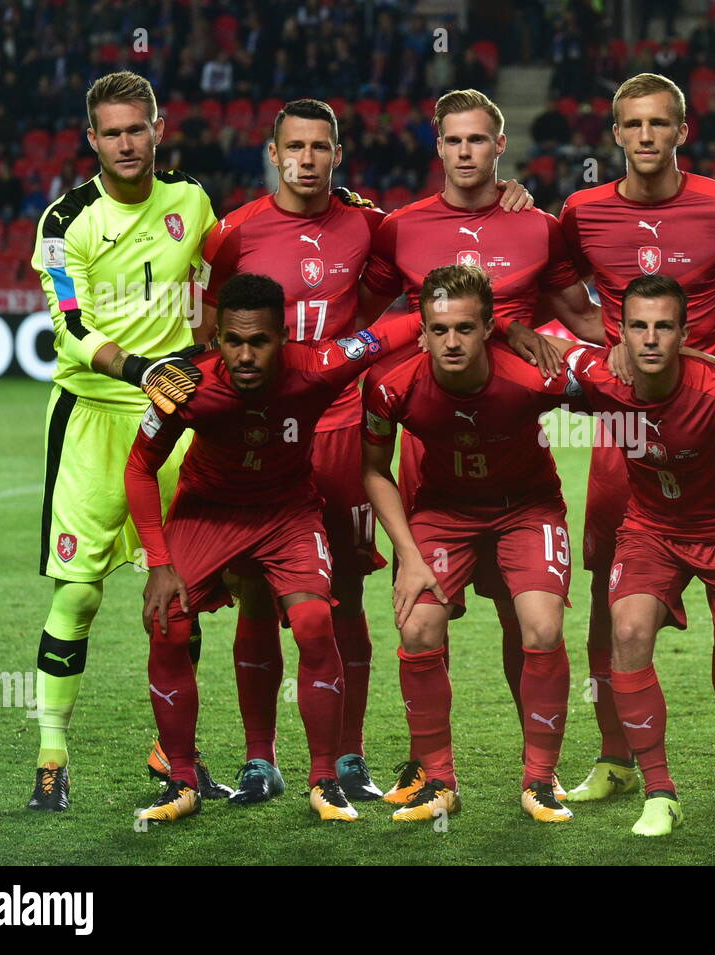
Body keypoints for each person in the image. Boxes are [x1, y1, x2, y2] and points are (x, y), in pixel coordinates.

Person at [197, 96, 535, 805]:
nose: (308, 159)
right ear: (273, 150)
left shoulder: (370, 224)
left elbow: (436, 264)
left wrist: (508, 201)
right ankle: (261, 758)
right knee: (259, 593)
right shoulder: (233, 236)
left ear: (338, 154)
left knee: (342, 594)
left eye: (322, 147)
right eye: (296, 146)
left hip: (344, 429)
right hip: (265, 435)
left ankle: (347, 756)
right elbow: (211, 336)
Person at [360, 88, 601, 803]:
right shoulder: (399, 229)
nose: (466, 153)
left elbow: (582, 315)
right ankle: (430, 767)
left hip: (516, 430)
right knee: (422, 612)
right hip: (433, 448)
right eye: (453, 141)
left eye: (479, 140)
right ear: (438, 148)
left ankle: (539, 770)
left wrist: (669, 351)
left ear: (501, 146)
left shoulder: (539, 226)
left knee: (523, 616)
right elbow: (364, 315)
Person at [124, 273, 421, 823]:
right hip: (208, 509)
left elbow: (386, 335)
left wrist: (459, 314)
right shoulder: (186, 386)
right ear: (218, 338)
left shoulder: (316, 368)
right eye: (233, 341)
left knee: (313, 622)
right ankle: (181, 778)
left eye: (258, 341)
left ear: (282, 337)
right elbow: (141, 468)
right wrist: (160, 565)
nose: (245, 354)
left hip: (287, 512)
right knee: (169, 622)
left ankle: (324, 778)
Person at [557, 72, 715, 802]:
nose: (646, 137)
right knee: (608, 595)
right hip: (625, 427)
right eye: (632, 124)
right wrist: (610, 340)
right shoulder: (584, 211)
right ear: (616, 134)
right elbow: (555, 289)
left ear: (681, 129)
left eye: (660, 124)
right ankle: (616, 755)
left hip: (708, 423)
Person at [26, 71, 219, 811]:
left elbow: (232, 262)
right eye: (112, 132)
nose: (126, 142)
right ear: (92, 139)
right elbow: (70, 328)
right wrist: (145, 369)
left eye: (137, 128)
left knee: (183, 596)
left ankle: (173, 752)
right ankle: (52, 753)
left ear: (158, 127)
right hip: (91, 420)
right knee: (77, 593)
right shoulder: (62, 222)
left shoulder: (191, 199)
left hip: (173, 423)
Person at [556, 274, 715, 835]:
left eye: (664, 326)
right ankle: (659, 791)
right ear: (620, 332)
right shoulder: (600, 379)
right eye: (638, 325)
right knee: (629, 631)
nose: (651, 338)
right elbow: (537, 361)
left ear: (684, 332)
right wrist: (514, 329)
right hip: (650, 530)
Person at [361, 264, 578, 824]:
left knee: (543, 626)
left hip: (527, 508)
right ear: (423, 330)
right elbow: (373, 470)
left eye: (463, 328)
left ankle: (541, 780)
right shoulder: (392, 386)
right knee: (418, 625)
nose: (450, 342)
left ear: (489, 328)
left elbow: (620, 383)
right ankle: (438, 780)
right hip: (443, 511)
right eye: (438, 330)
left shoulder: (534, 377)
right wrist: (407, 556)